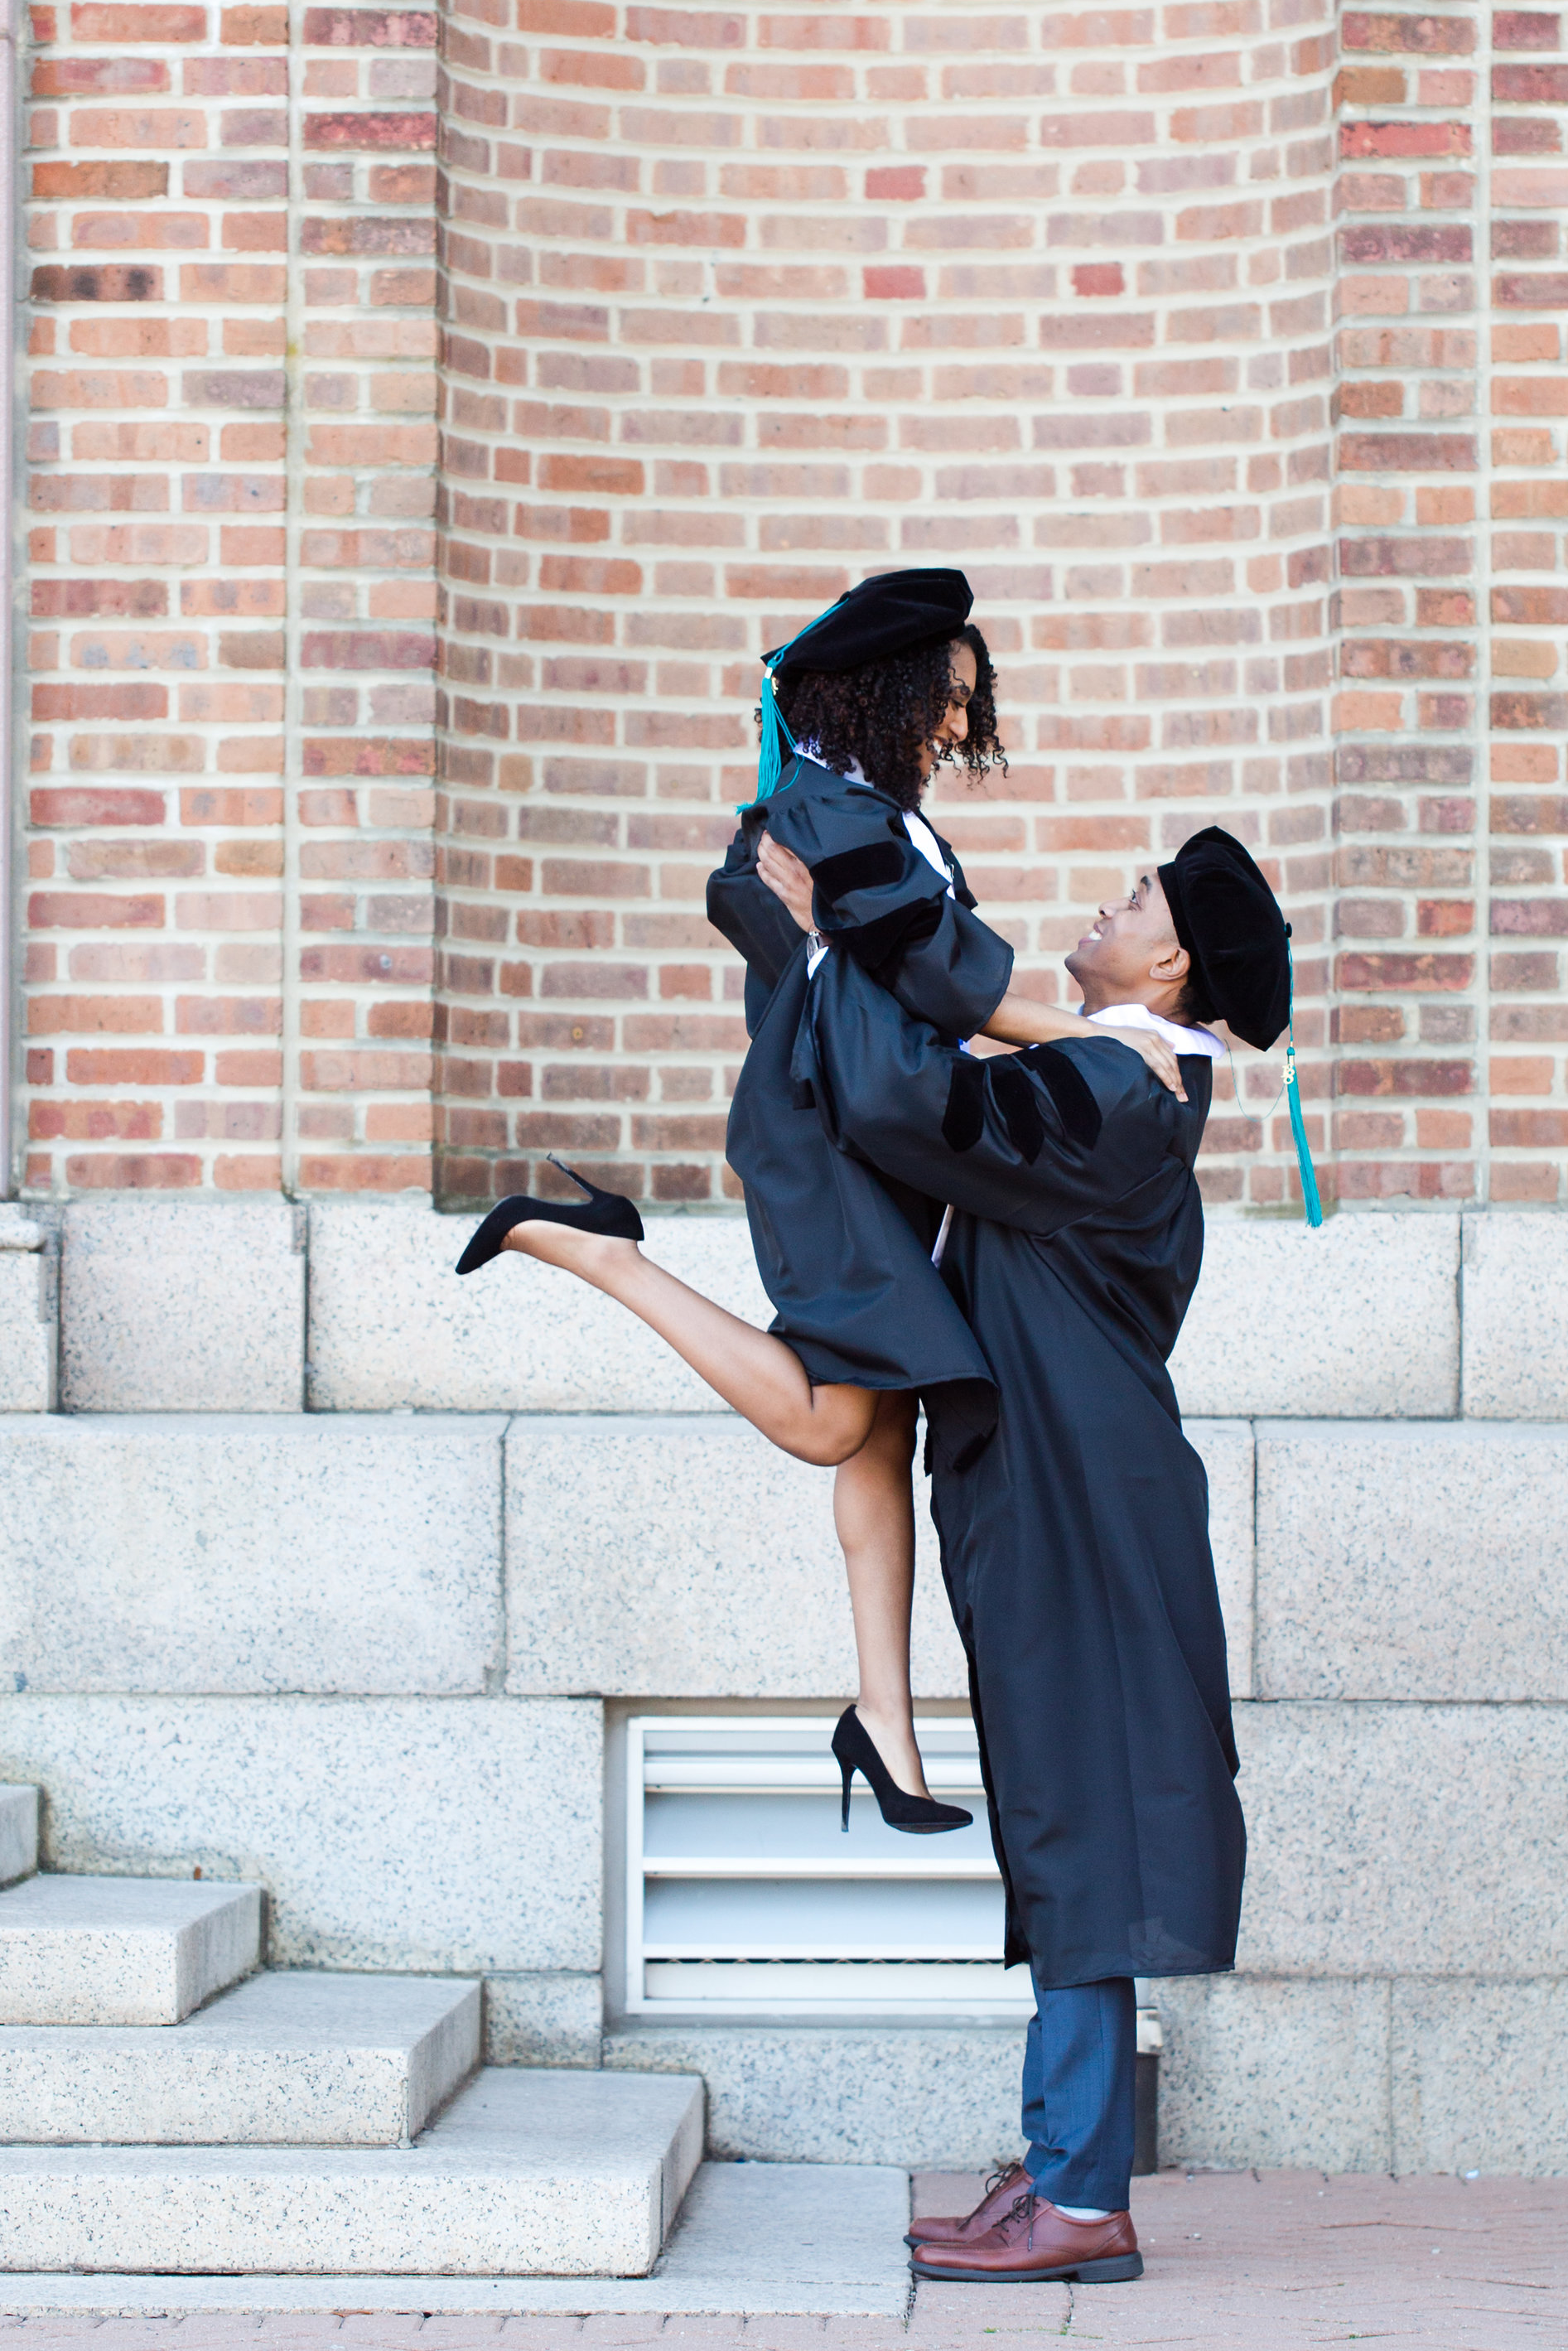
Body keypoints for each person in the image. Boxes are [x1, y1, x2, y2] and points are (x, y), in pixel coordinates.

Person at [455, 817, 1298, 2288]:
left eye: (1128, 901)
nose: (1097, 910)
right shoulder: (1107, 1073)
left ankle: (1084, 2191)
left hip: (1083, 1508)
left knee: (1084, 1829)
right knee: (1058, 1817)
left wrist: (825, 929)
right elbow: (920, 1077)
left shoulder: (1119, 1092)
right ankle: (1059, 2163)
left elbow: (914, 1106)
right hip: (1052, 1490)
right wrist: (807, 943)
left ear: (1168, 964)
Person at [462, 566, 1183, 1832]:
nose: (961, 726)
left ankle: (886, 1726)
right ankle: (597, 1250)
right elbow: (948, 985)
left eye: (969, 703)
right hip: (827, 1143)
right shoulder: (824, 813)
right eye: (948, 699)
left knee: (880, 1418)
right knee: (829, 1422)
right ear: (886, 689)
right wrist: (1101, 1040)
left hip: (879, 1152)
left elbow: (920, 987)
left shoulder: (881, 822)